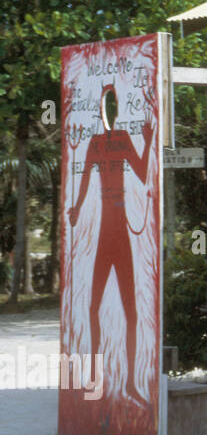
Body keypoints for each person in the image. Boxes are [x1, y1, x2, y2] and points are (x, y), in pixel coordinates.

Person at [68, 90, 154, 407]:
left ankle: (130, 382)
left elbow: (143, 174)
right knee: (93, 307)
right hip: (108, 229)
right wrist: (76, 209)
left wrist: (147, 139)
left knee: (130, 311)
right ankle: (97, 377)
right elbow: (86, 182)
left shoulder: (116, 140)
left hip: (117, 231)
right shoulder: (96, 143)